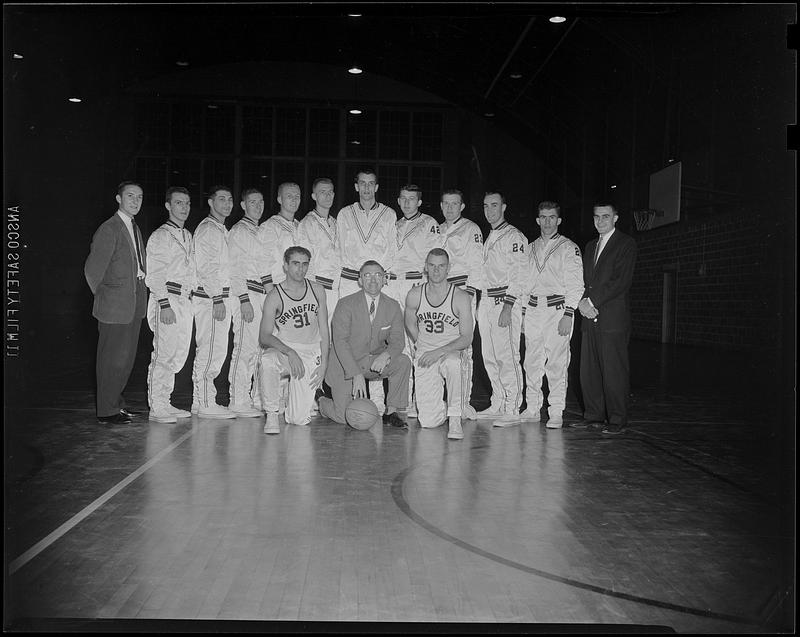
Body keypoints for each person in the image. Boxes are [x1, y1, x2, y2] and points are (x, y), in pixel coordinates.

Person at [334, 168, 398, 415]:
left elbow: (391, 251)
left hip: (376, 281)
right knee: (351, 338)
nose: (367, 188)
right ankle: (351, 395)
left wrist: (379, 278)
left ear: (377, 187)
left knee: (378, 338)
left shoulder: (389, 213)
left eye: (372, 183)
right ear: (356, 186)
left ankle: (379, 400)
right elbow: (339, 248)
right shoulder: (344, 214)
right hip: (351, 280)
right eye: (363, 183)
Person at [84, 181, 148, 424]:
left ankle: (116, 405)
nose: (135, 201)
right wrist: (106, 298)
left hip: (132, 306)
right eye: (130, 196)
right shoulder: (109, 228)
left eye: (139, 197)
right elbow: (92, 271)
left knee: (124, 360)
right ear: (119, 199)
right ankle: (106, 411)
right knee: (111, 360)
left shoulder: (133, 226)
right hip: (114, 308)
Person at [318, 260, 411, 428]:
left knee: (403, 361)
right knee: (344, 417)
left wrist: (386, 355)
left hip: (371, 362)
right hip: (344, 364)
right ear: (360, 280)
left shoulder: (393, 305)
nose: (373, 280)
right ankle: (321, 400)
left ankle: (391, 412)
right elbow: (340, 342)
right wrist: (356, 374)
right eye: (367, 275)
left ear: (385, 279)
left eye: (378, 275)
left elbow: (398, 340)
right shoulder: (345, 304)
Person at [574, 204, 637, 435]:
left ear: (616, 218)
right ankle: (593, 416)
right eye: (597, 217)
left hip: (612, 318)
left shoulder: (626, 244)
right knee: (589, 370)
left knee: (613, 371)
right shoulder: (590, 246)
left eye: (606, 216)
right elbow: (584, 281)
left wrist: (591, 302)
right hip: (589, 318)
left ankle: (617, 419)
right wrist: (582, 304)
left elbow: (621, 281)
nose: (601, 221)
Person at [520, 201, 584, 428]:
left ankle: (556, 411)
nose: (547, 222)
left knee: (557, 363)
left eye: (551, 217)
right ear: (537, 220)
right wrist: (523, 313)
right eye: (543, 217)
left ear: (559, 220)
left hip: (558, 309)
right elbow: (525, 284)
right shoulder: (530, 247)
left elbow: (576, 285)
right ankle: (532, 407)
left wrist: (569, 313)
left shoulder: (569, 247)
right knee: (531, 361)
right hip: (534, 309)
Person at [384, 184, 442, 417]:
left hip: (415, 283)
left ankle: (423, 400)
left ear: (419, 202)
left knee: (419, 342)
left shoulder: (429, 224)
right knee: (397, 343)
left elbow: (435, 258)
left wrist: (427, 288)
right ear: (398, 201)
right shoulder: (393, 224)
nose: (407, 203)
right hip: (393, 284)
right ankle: (402, 401)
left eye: (412, 199)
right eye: (403, 199)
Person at [404, 249, 474, 440]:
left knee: (453, 363)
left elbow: (467, 337)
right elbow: (409, 321)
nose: (436, 271)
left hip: (453, 351)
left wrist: (439, 351)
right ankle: (446, 407)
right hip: (427, 354)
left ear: (448, 268)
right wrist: (421, 342)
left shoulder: (460, 296)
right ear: (426, 267)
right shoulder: (415, 294)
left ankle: (455, 417)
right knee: (428, 422)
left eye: (441, 266)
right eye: (432, 266)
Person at [259, 246, 329, 434]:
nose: (301, 269)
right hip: (286, 351)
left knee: (298, 420)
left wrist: (324, 364)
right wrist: (290, 351)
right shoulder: (275, 295)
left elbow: (324, 330)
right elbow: (264, 336)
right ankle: (272, 413)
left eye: (305, 264)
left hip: (311, 351)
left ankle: (293, 396)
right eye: (296, 264)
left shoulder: (317, 290)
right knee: (267, 360)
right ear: (285, 266)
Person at [475, 190, 529, 425]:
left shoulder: (514, 236)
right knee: (489, 356)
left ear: (504, 207)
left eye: (494, 205)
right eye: (486, 206)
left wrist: (508, 305)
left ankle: (512, 407)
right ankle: (498, 402)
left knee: (507, 356)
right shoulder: (491, 235)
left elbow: (520, 274)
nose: (490, 210)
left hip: (504, 301)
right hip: (486, 300)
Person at [144, 186, 197, 423]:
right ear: (168, 206)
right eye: (178, 203)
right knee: (163, 353)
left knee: (178, 353)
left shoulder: (187, 235)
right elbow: (154, 274)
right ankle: (157, 405)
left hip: (185, 300)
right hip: (167, 298)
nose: (184, 208)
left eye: (186, 203)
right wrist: (164, 303)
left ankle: (166, 401)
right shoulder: (161, 235)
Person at [191, 185, 237, 419]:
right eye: (221, 199)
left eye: (229, 199)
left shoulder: (221, 229)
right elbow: (206, 268)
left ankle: (201, 401)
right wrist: (217, 297)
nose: (227, 203)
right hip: (211, 298)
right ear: (210, 202)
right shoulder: (208, 229)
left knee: (216, 350)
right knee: (210, 351)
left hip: (221, 297)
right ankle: (206, 402)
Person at [257, 182, 302, 414]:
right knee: (271, 349)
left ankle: (286, 398)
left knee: (290, 345)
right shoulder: (270, 226)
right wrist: (269, 292)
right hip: (277, 292)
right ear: (279, 198)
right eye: (288, 196)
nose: (293, 200)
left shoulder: (298, 226)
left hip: (295, 294)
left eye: (297, 196)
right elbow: (262, 260)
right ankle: (264, 401)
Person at [439, 189, 484, 421]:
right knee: (443, 346)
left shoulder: (471, 229)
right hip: (441, 292)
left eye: (454, 204)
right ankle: (445, 401)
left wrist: (469, 294)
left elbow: (477, 264)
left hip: (462, 289)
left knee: (464, 348)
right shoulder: (438, 229)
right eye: (446, 204)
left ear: (462, 206)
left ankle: (463, 402)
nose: (449, 208)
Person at [226, 188, 267, 418]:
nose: (258, 206)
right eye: (252, 202)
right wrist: (243, 299)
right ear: (243, 205)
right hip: (248, 293)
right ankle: (238, 399)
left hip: (261, 294)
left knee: (260, 350)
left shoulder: (259, 230)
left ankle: (254, 397)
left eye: (261, 201)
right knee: (244, 348)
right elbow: (235, 268)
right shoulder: (240, 230)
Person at [296, 177, 340, 320]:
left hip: (337, 288)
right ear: (314, 196)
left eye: (330, 192)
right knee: (317, 336)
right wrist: (311, 291)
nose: (328, 196)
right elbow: (304, 260)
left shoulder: (336, 223)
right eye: (323, 192)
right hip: (319, 287)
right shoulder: (307, 223)